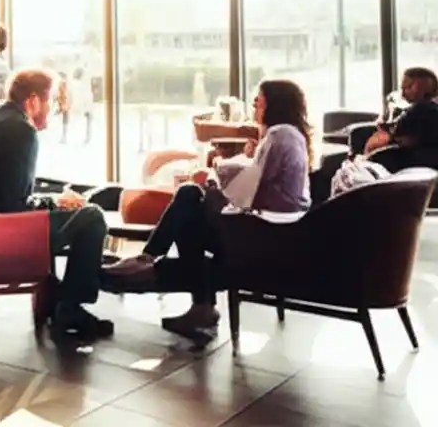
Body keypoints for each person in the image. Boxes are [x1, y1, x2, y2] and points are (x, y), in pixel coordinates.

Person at [105, 79, 313, 338]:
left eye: (258, 101)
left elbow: (252, 186)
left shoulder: (278, 134)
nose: (255, 106)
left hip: (262, 234)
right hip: (276, 231)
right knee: (190, 205)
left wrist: (220, 169)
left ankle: (154, 263)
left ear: (274, 105)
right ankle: (196, 302)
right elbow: (262, 181)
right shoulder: (292, 136)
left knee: (188, 198)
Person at [0, 69, 112, 342]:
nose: (56, 110)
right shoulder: (21, 130)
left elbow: (8, 186)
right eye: (53, 103)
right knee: (91, 217)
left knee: (73, 211)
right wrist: (56, 202)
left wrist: (55, 197)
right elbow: (16, 206)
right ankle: (70, 308)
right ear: (33, 101)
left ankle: (59, 297)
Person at [364, 67, 438, 155]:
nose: (403, 94)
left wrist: (386, 130)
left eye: (408, 87)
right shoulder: (421, 107)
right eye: (402, 88)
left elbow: (398, 131)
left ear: (424, 87)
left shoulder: (422, 108)